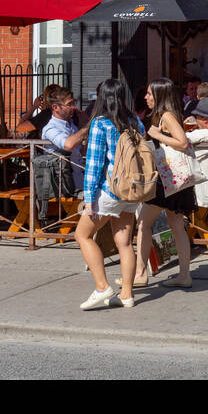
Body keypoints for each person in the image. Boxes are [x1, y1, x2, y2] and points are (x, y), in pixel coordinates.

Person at [74, 79, 141, 311]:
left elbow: (93, 165)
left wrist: (89, 199)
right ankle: (127, 295)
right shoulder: (134, 120)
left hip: (109, 189)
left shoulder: (101, 124)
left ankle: (102, 287)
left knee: (82, 235)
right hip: (132, 190)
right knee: (124, 243)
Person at [126, 78, 194, 290]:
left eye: (149, 94)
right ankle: (184, 275)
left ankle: (141, 274)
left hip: (166, 180)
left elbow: (183, 142)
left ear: (160, 95)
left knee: (144, 223)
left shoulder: (166, 115)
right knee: (176, 226)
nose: (145, 97)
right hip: (173, 179)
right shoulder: (167, 114)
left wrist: (157, 135)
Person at [36, 87, 85, 225]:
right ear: (55, 107)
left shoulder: (71, 125)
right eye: (69, 104)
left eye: (73, 103)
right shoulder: (51, 128)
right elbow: (68, 145)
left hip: (77, 180)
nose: (73, 108)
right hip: (63, 186)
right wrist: (87, 128)